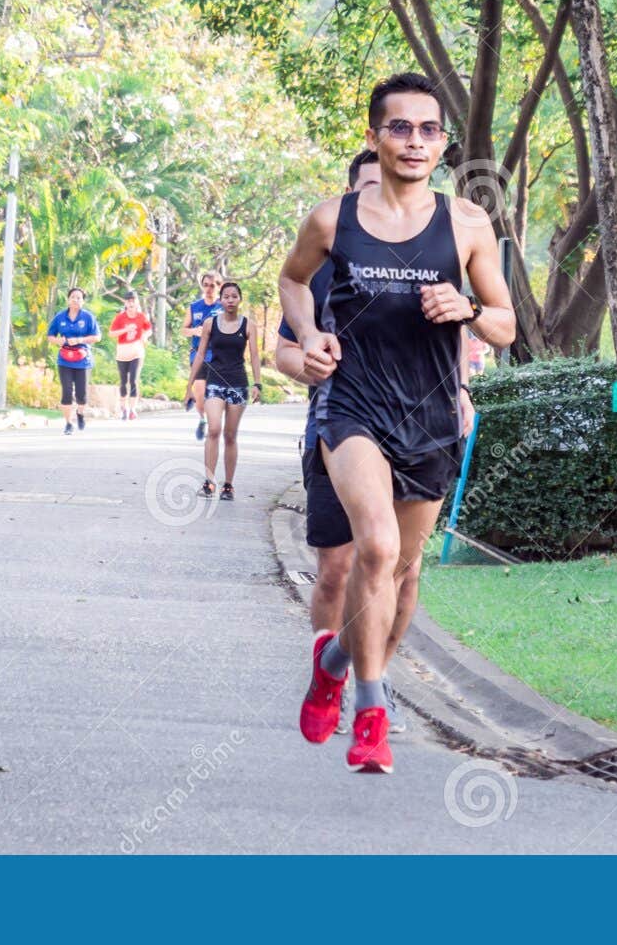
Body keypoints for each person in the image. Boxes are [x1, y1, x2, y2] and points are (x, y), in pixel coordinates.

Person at [280, 72, 515, 774]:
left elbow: (504, 323)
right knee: (375, 549)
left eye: (429, 129)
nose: (415, 141)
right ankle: (373, 712)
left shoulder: (468, 224)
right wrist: (309, 335)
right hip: (353, 408)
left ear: (443, 142)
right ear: (374, 135)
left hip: (433, 414)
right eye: (400, 127)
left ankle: (334, 659)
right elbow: (293, 281)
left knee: (403, 571)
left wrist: (468, 310)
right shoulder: (333, 219)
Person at [274, 149, 476, 737]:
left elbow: (473, 329)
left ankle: (371, 678)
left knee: (400, 568)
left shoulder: (439, 249)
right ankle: (343, 683)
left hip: (421, 426)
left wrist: (459, 385)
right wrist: (308, 354)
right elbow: (286, 349)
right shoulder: (328, 258)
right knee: (342, 566)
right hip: (342, 425)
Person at [187, 281, 262, 501]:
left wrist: (257, 383)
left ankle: (228, 485)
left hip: (238, 384)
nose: (230, 300)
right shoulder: (211, 324)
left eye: (234, 296)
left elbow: (255, 356)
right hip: (214, 383)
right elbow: (200, 354)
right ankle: (209, 482)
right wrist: (189, 384)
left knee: (230, 435)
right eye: (226, 296)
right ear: (220, 300)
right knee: (214, 429)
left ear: (239, 299)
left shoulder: (248, 325)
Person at [47, 286, 101, 435]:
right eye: (73, 297)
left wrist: (80, 339)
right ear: (68, 300)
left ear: (82, 301)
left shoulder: (88, 317)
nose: (75, 300)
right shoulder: (59, 317)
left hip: (83, 360)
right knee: (66, 392)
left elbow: (97, 337)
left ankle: (80, 413)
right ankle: (68, 423)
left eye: (79, 298)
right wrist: (59, 341)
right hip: (64, 360)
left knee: (82, 395)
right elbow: (50, 336)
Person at [181, 272, 224, 441]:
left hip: (218, 355)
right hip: (198, 354)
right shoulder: (194, 307)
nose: (208, 288)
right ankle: (202, 419)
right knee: (200, 395)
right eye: (205, 284)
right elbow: (184, 329)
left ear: (219, 287)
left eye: (212, 285)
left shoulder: (224, 307)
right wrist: (194, 331)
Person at [108, 292, 154, 420]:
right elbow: (111, 333)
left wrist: (145, 336)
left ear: (137, 302)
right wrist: (125, 330)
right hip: (122, 351)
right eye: (128, 301)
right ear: (125, 303)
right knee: (123, 381)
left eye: (133, 300)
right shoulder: (120, 317)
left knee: (133, 380)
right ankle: (124, 408)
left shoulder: (141, 316)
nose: (131, 303)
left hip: (137, 351)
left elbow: (149, 329)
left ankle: (133, 409)